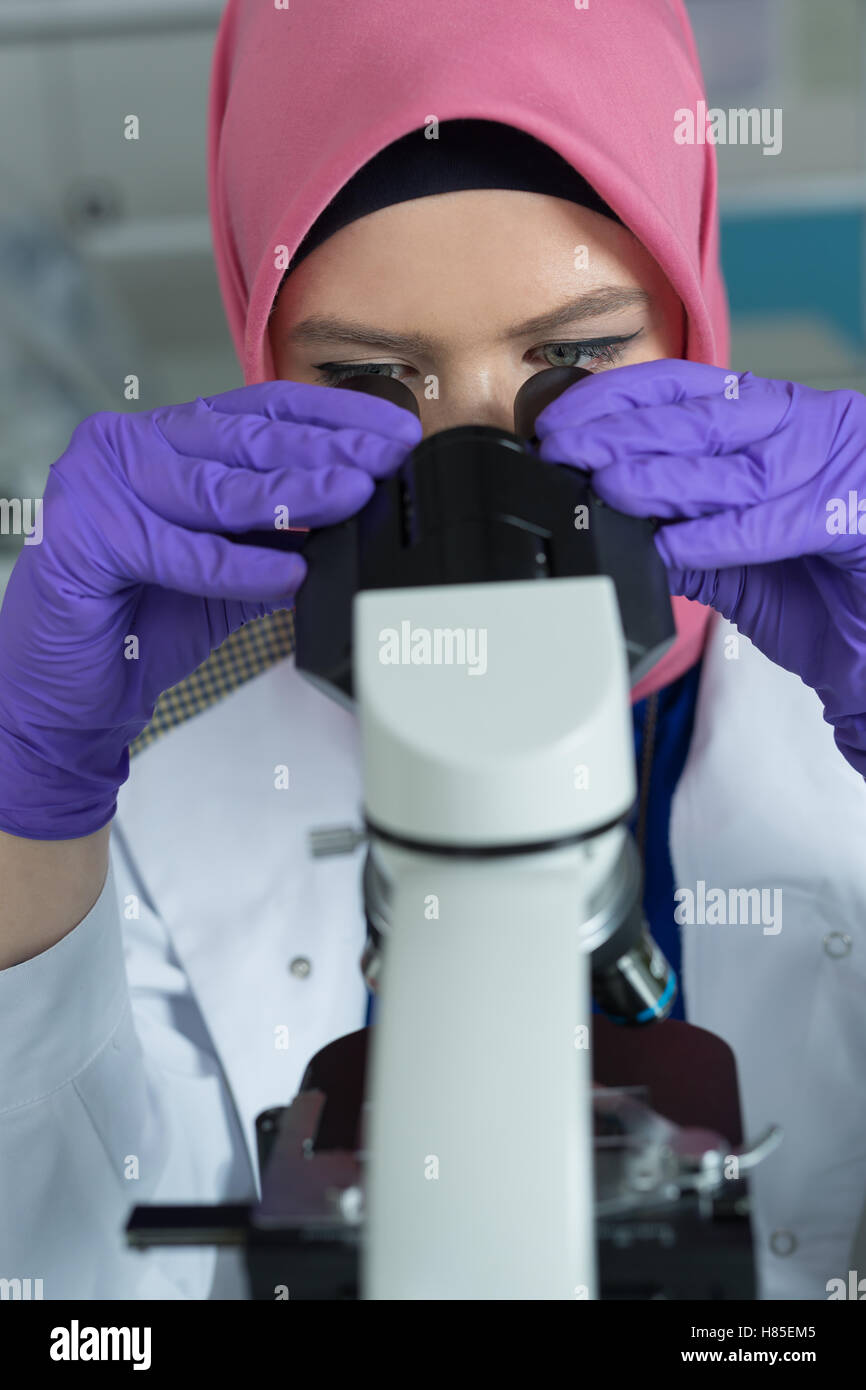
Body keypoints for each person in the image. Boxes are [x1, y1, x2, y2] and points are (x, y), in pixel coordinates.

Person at [1, 0, 864, 1301]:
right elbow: (64, 1274)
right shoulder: (162, 797)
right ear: (261, 348)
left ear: (689, 316)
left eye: (571, 361)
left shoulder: (832, 706)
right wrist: (25, 817)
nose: (475, 467)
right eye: (366, 384)